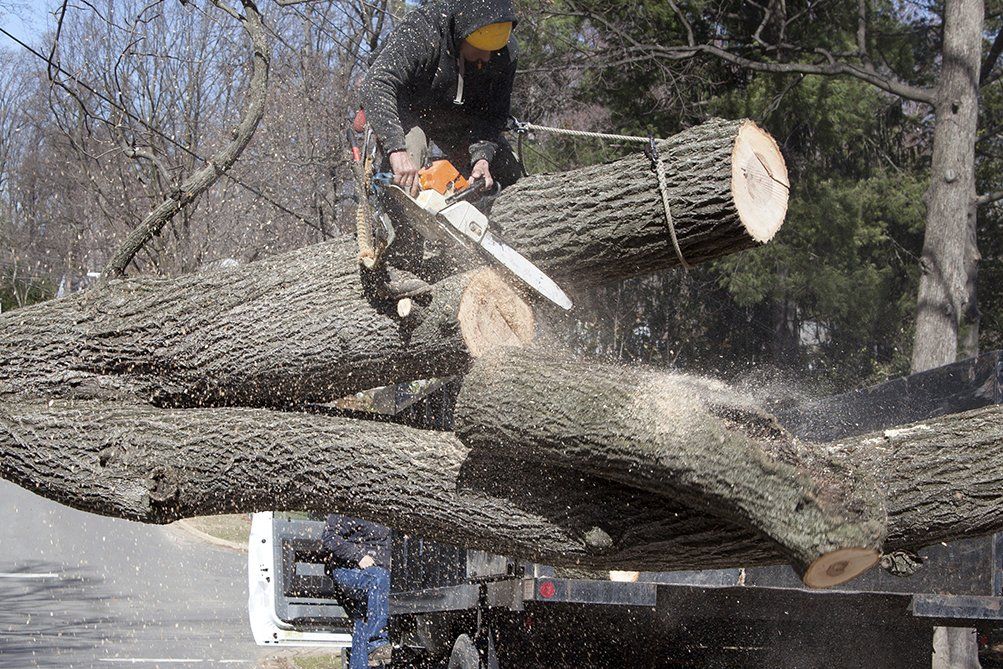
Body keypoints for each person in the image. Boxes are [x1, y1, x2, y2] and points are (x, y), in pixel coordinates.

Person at [361, 0, 523, 197]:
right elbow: (376, 82)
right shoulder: (421, 31)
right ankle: (400, 217)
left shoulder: (504, 53)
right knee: (408, 170)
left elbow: (493, 115)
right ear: (462, 34)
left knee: (508, 172)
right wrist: (396, 149)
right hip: (409, 108)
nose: (487, 57)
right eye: (480, 48)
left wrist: (482, 158)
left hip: (458, 115)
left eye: (493, 50)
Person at [322, 514, 392, 668]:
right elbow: (328, 537)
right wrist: (358, 556)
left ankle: (362, 661)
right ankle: (377, 643)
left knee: (363, 619)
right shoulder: (350, 507)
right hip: (349, 571)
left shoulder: (388, 510)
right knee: (377, 578)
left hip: (375, 578)